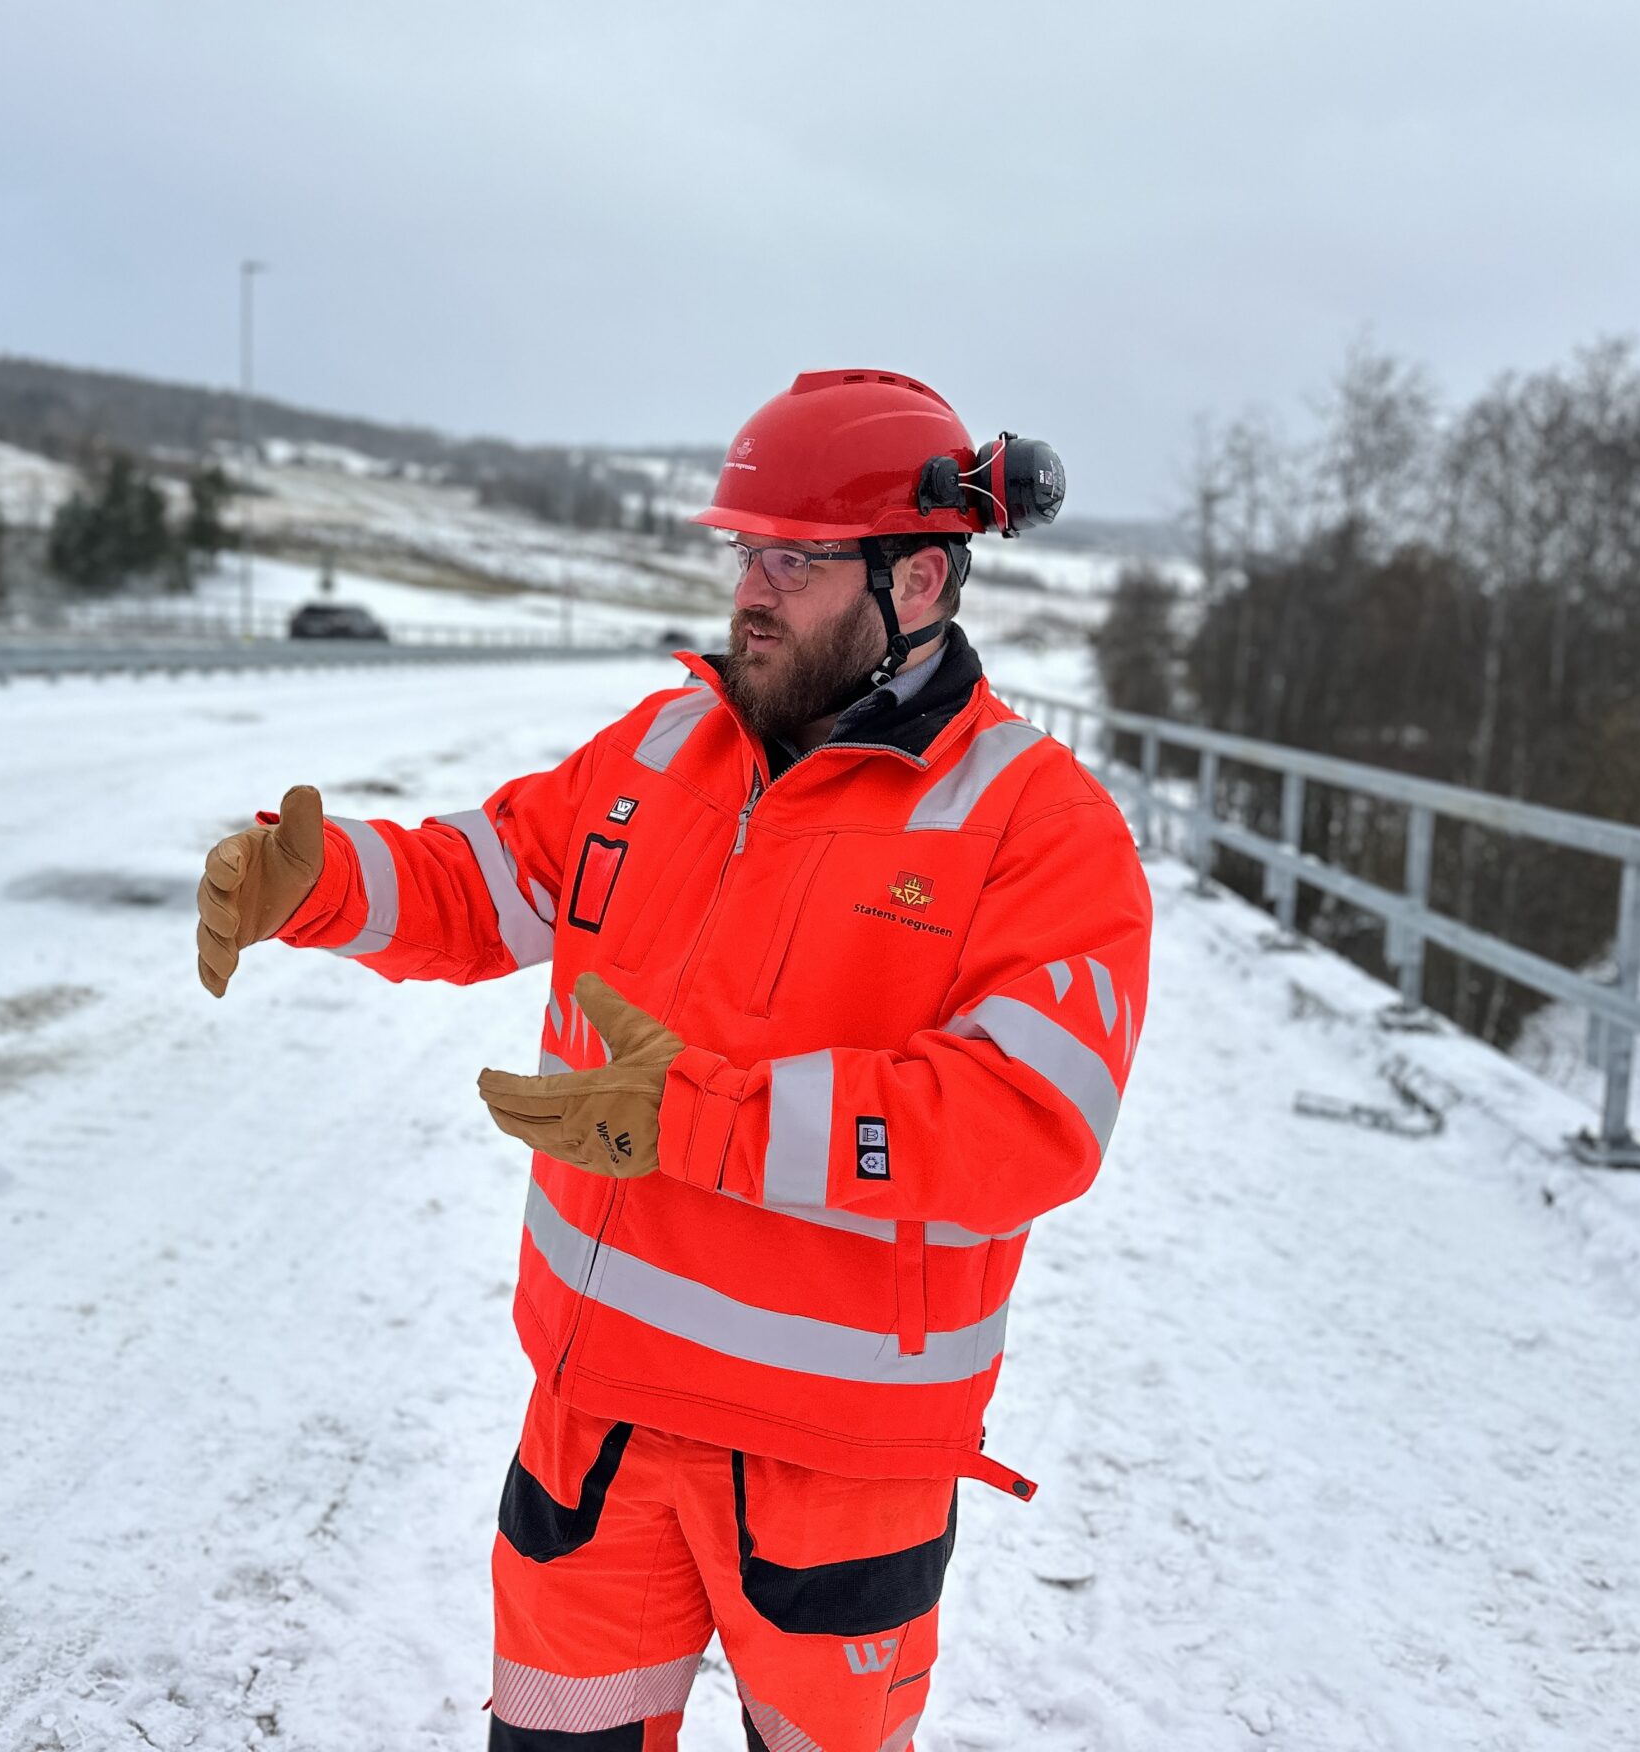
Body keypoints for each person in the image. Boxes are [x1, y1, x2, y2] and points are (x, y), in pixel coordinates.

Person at [196, 369, 1153, 1751]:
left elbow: (1030, 1118)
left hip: (838, 1472)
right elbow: (494, 876)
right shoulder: (663, 746)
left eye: (796, 563)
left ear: (920, 580)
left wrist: (700, 1120)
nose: (751, 593)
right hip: (596, 1425)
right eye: (745, 553)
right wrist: (323, 882)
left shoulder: (1035, 827)